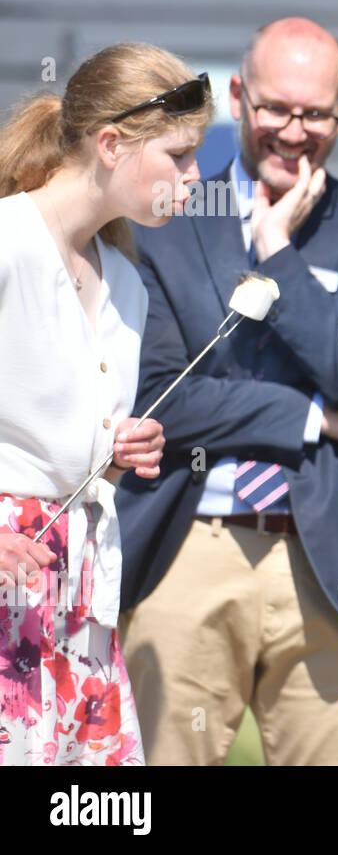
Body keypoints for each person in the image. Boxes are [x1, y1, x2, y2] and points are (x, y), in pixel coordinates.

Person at [115, 17, 338, 765]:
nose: (294, 131)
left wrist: (277, 252)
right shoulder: (163, 220)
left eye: (315, 113)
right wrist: (315, 418)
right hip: (186, 548)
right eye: (275, 109)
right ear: (236, 99)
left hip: (328, 562)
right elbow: (161, 400)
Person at [0, 42, 206, 764]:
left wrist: (114, 456)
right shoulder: (6, 245)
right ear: (112, 143)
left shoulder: (127, 282)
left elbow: (67, 448)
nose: (194, 177)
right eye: (179, 155)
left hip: (84, 594)